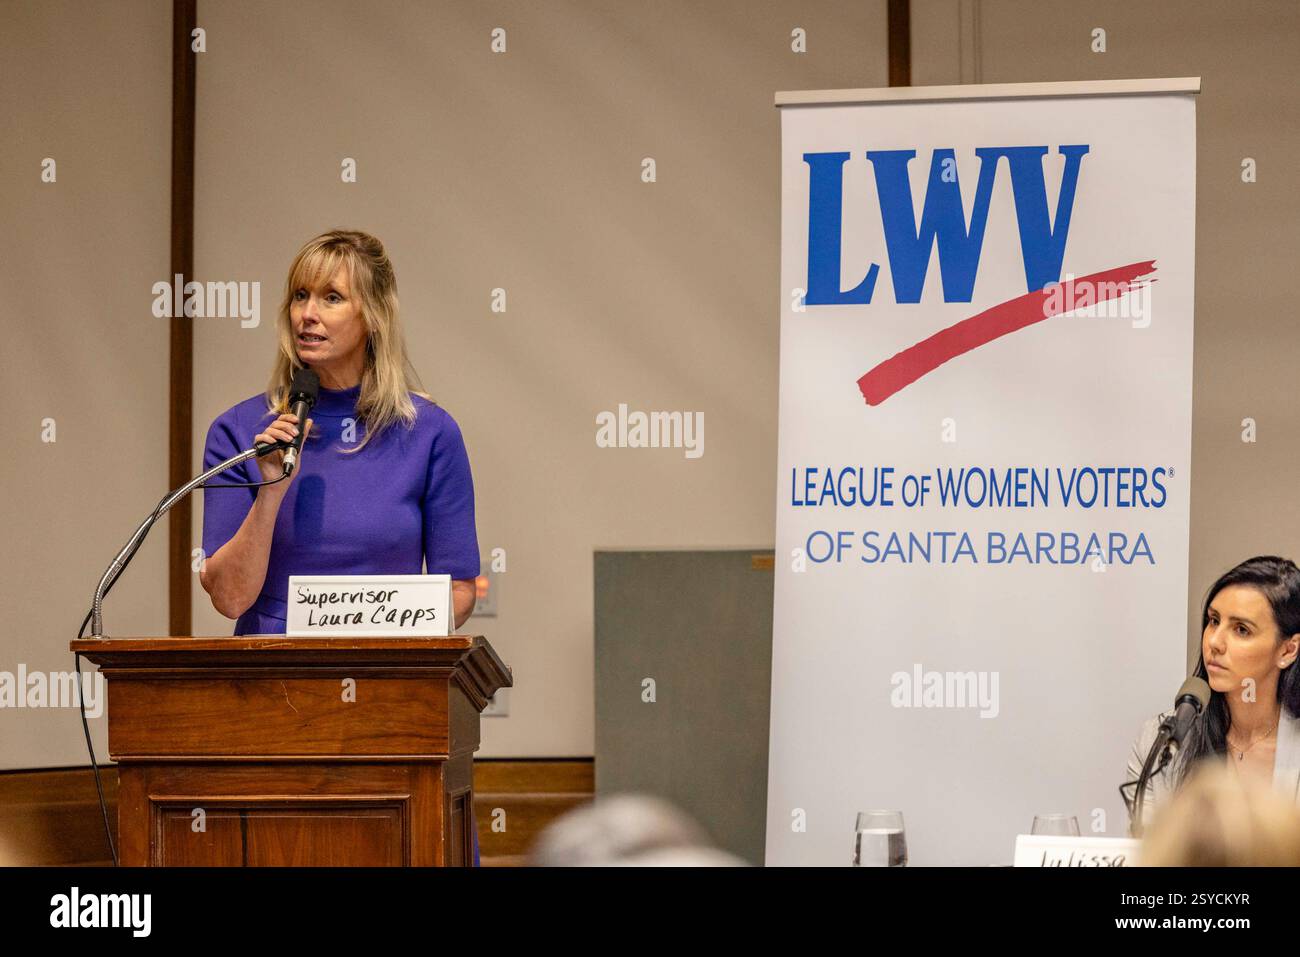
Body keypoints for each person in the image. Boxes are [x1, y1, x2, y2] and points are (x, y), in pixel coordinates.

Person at [199, 229, 480, 635]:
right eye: (300, 295)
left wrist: (378, 645)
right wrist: (271, 492)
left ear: (373, 316)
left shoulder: (430, 433)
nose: (307, 314)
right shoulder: (239, 431)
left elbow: (458, 590)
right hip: (271, 682)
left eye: (331, 297)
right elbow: (229, 599)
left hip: (387, 680)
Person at [1124, 556, 1300, 832]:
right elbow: (1146, 852)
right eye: (1213, 621)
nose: (1215, 642)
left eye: (1241, 630)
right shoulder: (1162, 741)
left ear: (1288, 650)